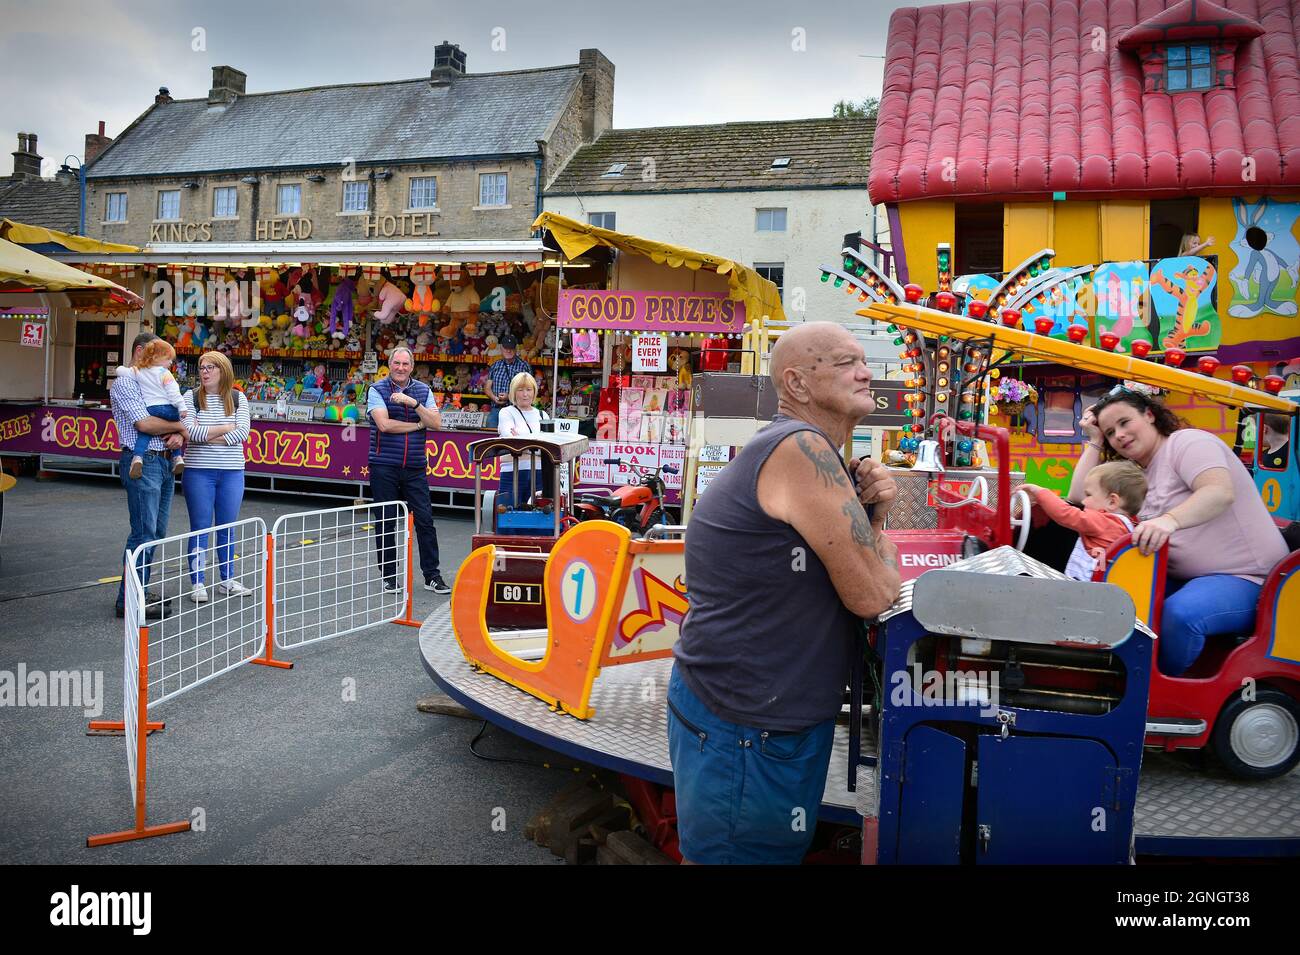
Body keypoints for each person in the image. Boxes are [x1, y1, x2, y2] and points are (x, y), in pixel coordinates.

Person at [667, 321, 901, 864]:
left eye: (863, 360)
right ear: (796, 383)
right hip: (747, 729)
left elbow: (864, 567)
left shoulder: (806, 448)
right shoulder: (801, 449)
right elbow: (872, 593)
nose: (866, 371)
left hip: (754, 720)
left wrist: (877, 521)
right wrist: (881, 548)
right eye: (845, 363)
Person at [1072, 388, 1289, 675]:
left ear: (1149, 415)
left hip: (1249, 577)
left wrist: (1169, 521)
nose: (1119, 435)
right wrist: (1095, 440)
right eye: (1111, 432)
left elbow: (1218, 491)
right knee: (1115, 602)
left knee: (1180, 616)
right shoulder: (1139, 474)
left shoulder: (1187, 443)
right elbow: (1079, 497)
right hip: (1188, 577)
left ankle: (1153, 695)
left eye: (1125, 423)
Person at [110, 331, 187, 619]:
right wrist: (180, 428)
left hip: (164, 461)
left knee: (156, 531)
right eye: (155, 352)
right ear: (141, 350)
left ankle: (139, 589)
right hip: (143, 461)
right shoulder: (125, 382)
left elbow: (168, 412)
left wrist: (176, 435)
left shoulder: (150, 377)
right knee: (143, 532)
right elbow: (144, 422)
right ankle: (128, 600)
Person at [367, 346, 450, 594]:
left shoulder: (423, 391)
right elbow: (383, 424)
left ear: (412, 367)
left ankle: (432, 576)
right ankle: (390, 576)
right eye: (397, 363)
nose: (400, 368)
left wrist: (412, 403)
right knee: (386, 520)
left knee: (425, 520)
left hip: (414, 466)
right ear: (389, 364)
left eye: (405, 364)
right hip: (384, 465)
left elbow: (436, 423)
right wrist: (417, 424)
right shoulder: (376, 389)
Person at [181, 351, 252, 603]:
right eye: (201, 367)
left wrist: (207, 435)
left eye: (211, 367)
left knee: (227, 527)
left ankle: (227, 580)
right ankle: (198, 582)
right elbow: (189, 432)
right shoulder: (190, 397)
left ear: (223, 370)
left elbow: (243, 431)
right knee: (199, 527)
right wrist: (224, 429)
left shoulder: (237, 397)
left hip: (232, 471)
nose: (205, 371)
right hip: (198, 470)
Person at [1021, 461, 1146, 581]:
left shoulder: (1105, 522)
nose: (1083, 502)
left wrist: (1040, 493)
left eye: (1088, 495)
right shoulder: (1128, 524)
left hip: (1089, 589)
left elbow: (1066, 514)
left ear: (1112, 501)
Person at [116, 337, 187, 479]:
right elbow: (144, 424)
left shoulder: (139, 372)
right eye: (168, 358)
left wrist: (179, 432)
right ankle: (178, 457)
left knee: (144, 435)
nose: (170, 362)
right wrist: (181, 417)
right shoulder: (164, 373)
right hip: (152, 459)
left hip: (152, 409)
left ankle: (137, 457)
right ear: (140, 351)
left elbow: (121, 371)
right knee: (150, 428)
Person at [495, 372, 548, 511]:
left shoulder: (543, 415)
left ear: (534, 392)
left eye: (529, 390)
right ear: (513, 392)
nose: (525, 394)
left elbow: (548, 448)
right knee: (508, 517)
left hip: (540, 473)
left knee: (538, 519)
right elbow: (510, 441)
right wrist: (537, 444)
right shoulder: (506, 412)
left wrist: (521, 440)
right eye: (520, 390)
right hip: (511, 472)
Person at [485, 335, 532, 429]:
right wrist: (494, 398)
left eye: (511, 348)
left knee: (513, 437)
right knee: (490, 434)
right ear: (501, 348)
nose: (508, 351)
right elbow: (487, 387)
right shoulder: (495, 365)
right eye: (506, 348)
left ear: (516, 349)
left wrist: (510, 396)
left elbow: (529, 389)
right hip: (496, 409)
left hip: (516, 409)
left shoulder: (524, 366)